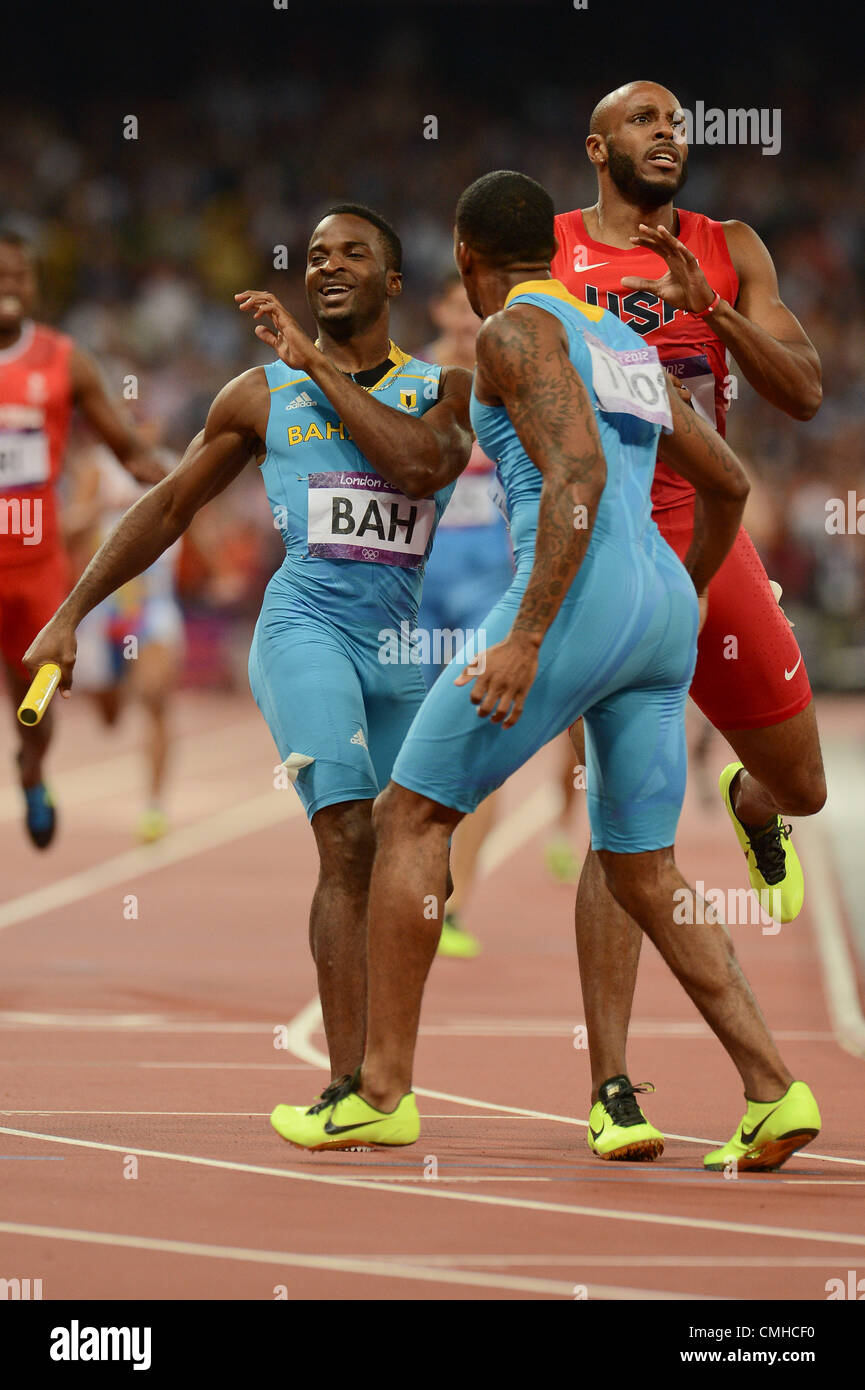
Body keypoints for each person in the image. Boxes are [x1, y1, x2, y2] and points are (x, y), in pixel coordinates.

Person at [270, 170, 821, 1174]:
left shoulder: (513, 334)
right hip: (655, 608)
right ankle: (773, 1090)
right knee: (643, 867)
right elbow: (729, 482)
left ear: (466, 256)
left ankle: (381, 1091)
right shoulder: (623, 340)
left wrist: (526, 637)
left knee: (409, 815)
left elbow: (576, 477)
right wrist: (683, 596)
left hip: (574, 603)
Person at [24, 205, 473, 1089]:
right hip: (306, 629)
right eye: (314, 256)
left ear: (392, 281)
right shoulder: (260, 396)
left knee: (420, 869)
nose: (327, 266)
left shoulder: (446, 388)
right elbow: (167, 506)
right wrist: (72, 612)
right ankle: (353, 1086)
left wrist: (316, 366)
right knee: (345, 837)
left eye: (352, 254)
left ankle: (380, 1058)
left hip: (403, 648)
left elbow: (418, 467)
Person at [550, 80, 827, 1161]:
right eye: (643, 121)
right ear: (596, 145)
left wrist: (705, 309)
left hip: (711, 540)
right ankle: (613, 1086)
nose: (668, 134)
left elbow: (801, 389)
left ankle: (751, 808)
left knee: (803, 784)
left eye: (677, 122)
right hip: (610, 552)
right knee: (625, 822)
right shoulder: (555, 252)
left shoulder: (726, 246)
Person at [0, 228, 163, 848]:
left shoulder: (64, 361)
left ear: (35, 284)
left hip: (36, 570)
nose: (9, 288)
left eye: (19, 276)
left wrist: (193, 476)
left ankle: (33, 768)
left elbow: (130, 451)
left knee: (34, 708)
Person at [416, 275, 514, 957]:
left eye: (474, 313)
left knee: (478, 743)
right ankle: (414, 884)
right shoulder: (412, 378)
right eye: (455, 311)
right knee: (410, 742)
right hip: (420, 582)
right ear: (438, 313)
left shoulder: (509, 381)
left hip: (487, 582)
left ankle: (455, 906)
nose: (464, 322)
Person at [66, 440, 183, 842]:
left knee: (154, 696)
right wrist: (104, 505)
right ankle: (117, 686)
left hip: (153, 606)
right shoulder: (96, 467)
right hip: (106, 610)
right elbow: (70, 531)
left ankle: (154, 806)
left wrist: (217, 566)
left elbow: (197, 522)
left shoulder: (176, 463)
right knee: (110, 714)